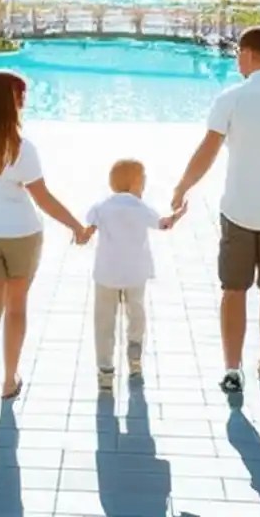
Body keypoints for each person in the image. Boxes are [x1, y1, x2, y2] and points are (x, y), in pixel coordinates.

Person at [171, 26, 260, 394]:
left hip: (238, 211)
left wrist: (182, 186)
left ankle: (232, 369)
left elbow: (208, 150)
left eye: (239, 52)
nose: (237, 59)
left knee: (233, 290)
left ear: (250, 53)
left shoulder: (231, 99)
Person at [0, 70, 89, 437]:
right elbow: (42, 198)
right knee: (16, 308)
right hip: (22, 235)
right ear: (11, 102)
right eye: (21, 96)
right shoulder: (22, 148)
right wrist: (76, 226)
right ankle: (9, 380)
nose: (24, 103)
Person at [81, 159, 186, 390]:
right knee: (136, 314)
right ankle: (135, 357)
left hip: (106, 275)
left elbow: (89, 229)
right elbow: (163, 224)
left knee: (103, 321)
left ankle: (105, 369)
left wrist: (82, 235)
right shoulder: (141, 208)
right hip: (135, 275)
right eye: (143, 179)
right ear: (135, 183)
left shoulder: (101, 207)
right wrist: (177, 215)